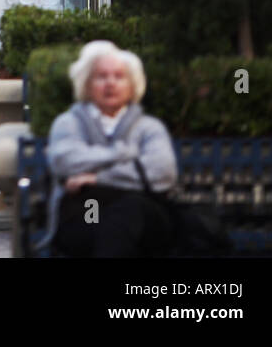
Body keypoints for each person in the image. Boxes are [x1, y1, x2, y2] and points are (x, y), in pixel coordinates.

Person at [40, 40, 178, 257]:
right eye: (101, 76)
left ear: (133, 85)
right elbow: (64, 161)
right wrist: (124, 154)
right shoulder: (69, 123)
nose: (110, 83)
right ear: (87, 84)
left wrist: (98, 179)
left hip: (144, 218)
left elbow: (162, 172)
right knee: (110, 223)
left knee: (129, 210)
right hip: (86, 212)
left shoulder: (149, 128)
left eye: (119, 76)